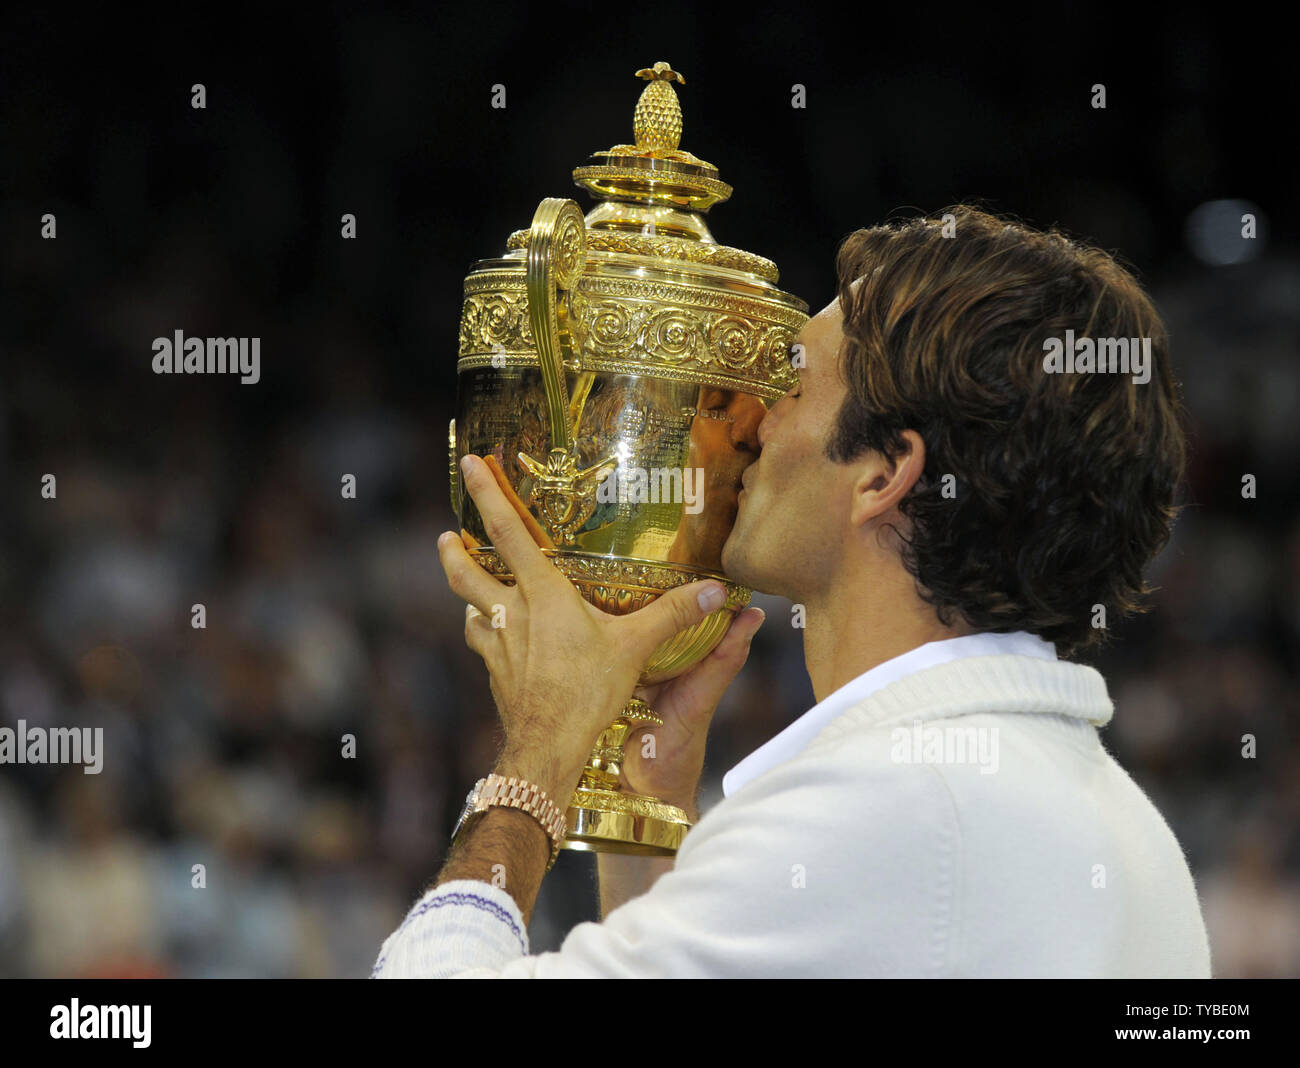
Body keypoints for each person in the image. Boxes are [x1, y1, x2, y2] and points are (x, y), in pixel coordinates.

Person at [371, 204, 1211, 978]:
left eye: (792, 383)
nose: (748, 419)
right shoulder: (1119, 826)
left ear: (884, 475)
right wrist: (648, 809)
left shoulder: (890, 808)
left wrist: (535, 764)